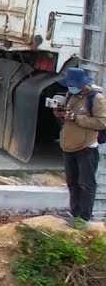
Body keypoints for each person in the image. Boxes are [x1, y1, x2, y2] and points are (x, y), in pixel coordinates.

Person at [54, 67, 106, 224]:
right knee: (72, 183)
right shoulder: (71, 95)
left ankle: (84, 217)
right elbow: (67, 120)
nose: (70, 87)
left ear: (83, 83)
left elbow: (102, 122)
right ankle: (74, 213)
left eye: (73, 85)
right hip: (69, 146)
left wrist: (77, 118)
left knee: (86, 184)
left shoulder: (96, 98)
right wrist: (60, 114)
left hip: (86, 148)